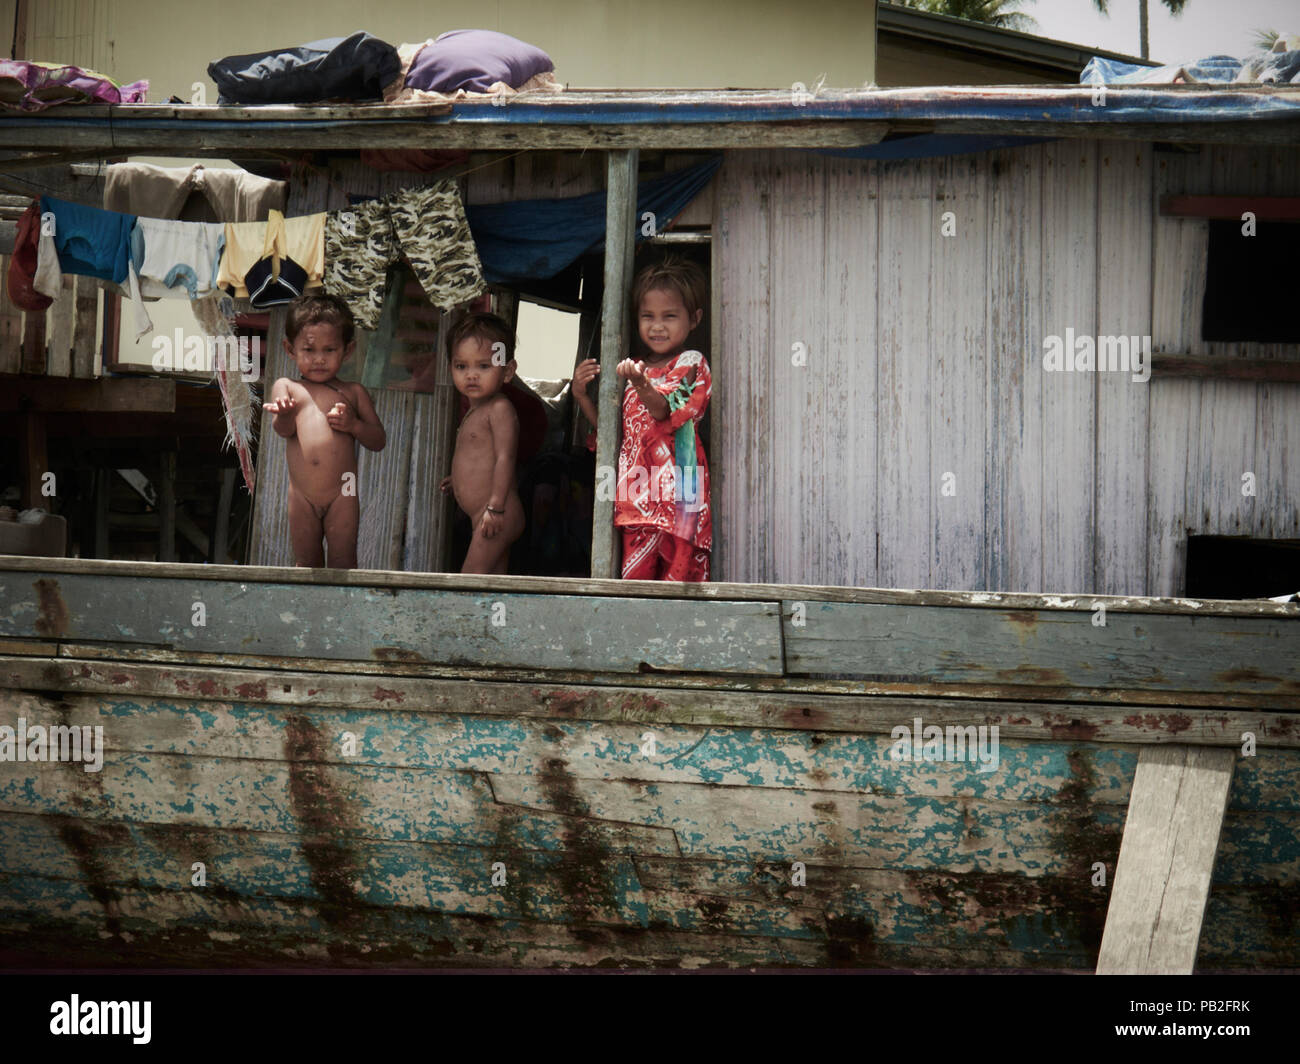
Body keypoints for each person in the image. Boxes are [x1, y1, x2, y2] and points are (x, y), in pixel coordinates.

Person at [578, 256, 712, 581]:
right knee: (634, 588)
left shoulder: (691, 363)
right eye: (647, 316)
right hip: (636, 501)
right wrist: (581, 396)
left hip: (680, 501)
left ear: (693, 319)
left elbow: (663, 410)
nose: (657, 326)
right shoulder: (634, 368)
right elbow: (614, 436)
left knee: (680, 592)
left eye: (670, 316)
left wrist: (640, 383)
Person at [263, 294, 386, 568]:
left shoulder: (354, 392)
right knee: (306, 565)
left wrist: (354, 425)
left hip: (344, 492)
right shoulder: (287, 387)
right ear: (290, 349)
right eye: (309, 350)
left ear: (348, 350)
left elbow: (378, 440)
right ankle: (309, 612)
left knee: (344, 565)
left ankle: (343, 612)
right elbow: (283, 431)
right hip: (301, 495)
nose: (319, 359)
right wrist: (285, 415)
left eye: (329, 350)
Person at [439, 313, 526, 573]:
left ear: (507, 371)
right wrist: (458, 478)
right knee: (492, 586)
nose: (471, 375)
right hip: (485, 513)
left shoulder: (499, 408)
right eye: (461, 366)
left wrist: (495, 507)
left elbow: (505, 458)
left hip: (498, 512)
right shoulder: (473, 410)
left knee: (470, 579)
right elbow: (479, 457)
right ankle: (497, 615)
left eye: (483, 366)